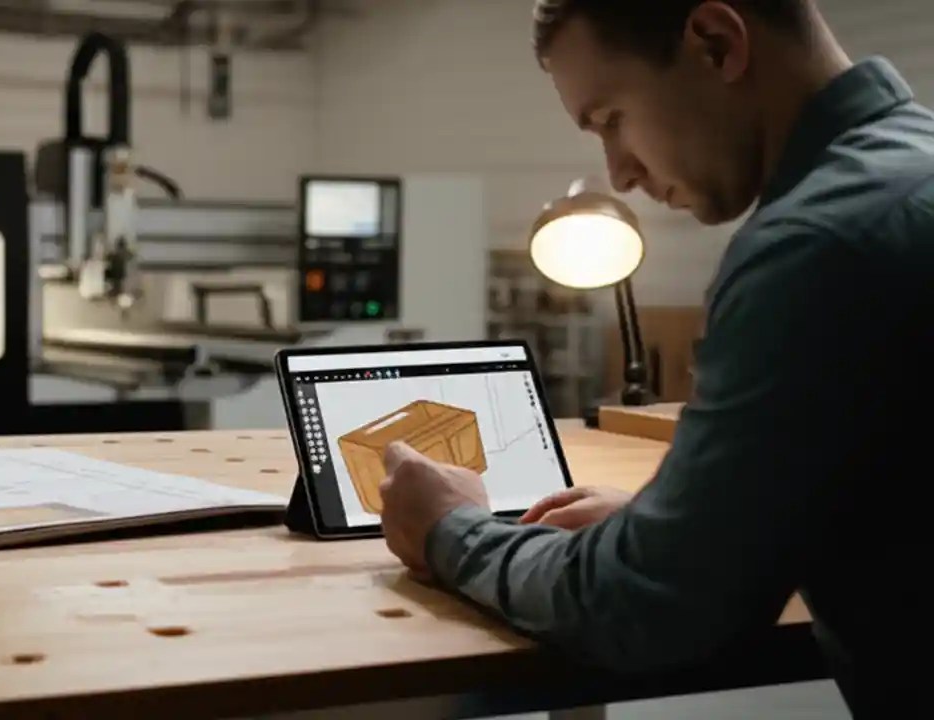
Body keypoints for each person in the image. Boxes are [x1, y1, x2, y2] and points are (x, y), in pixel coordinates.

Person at [377, 1, 931, 716]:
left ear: (715, 43)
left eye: (611, 119)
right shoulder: (909, 176)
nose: (621, 171)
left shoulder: (817, 245)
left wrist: (451, 530)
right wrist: (687, 522)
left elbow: (651, 610)